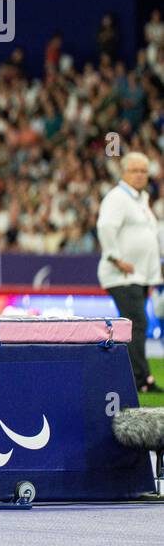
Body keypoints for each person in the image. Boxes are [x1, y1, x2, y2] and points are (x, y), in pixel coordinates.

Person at [96, 152, 163, 394]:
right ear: (124, 173)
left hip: (140, 275)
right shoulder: (117, 198)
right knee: (136, 324)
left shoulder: (141, 200)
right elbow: (105, 226)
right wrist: (116, 258)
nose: (140, 175)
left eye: (144, 171)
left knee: (135, 325)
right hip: (122, 275)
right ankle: (138, 380)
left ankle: (141, 378)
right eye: (134, 170)